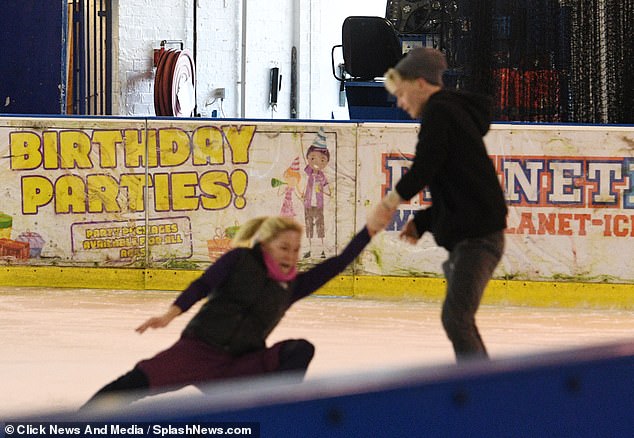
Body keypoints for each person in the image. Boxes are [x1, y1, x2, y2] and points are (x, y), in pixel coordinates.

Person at [82, 216, 372, 409]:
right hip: (197, 352)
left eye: (296, 250)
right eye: (284, 247)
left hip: (240, 366)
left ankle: (276, 415)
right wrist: (171, 313)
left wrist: (370, 229)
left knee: (299, 350)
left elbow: (338, 263)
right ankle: (77, 424)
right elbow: (203, 284)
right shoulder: (240, 259)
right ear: (264, 244)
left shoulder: (292, 286)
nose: (290, 255)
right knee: (134, 383)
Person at [367, 48, 508, 362]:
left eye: (402, 95)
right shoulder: (450, 114)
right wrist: (424, 221)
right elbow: (456, 181)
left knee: (456, 318)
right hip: (473, 236)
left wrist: (388, 204)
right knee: (457, 319)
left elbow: (426, 166)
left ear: (420, 84)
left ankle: (482, 390)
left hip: (479, 240)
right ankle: (482, 385)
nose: (401, 104)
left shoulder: (440, 111)